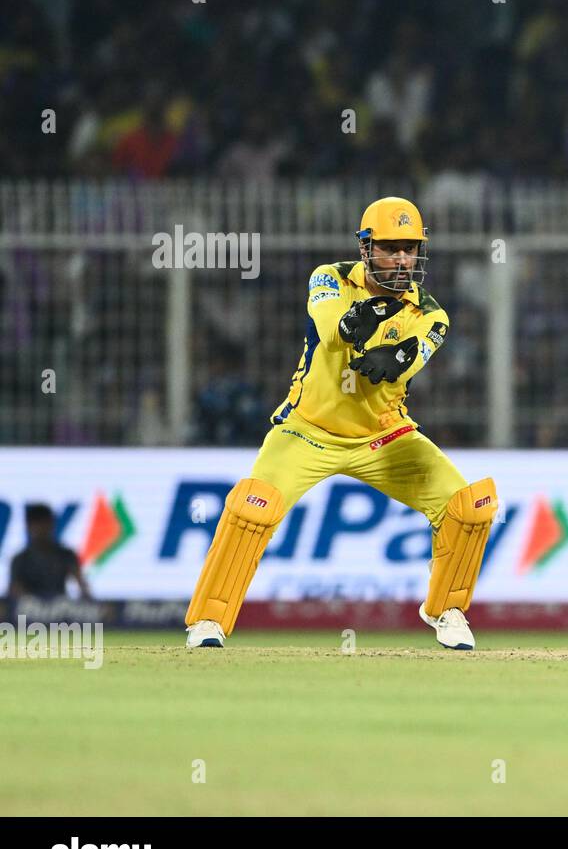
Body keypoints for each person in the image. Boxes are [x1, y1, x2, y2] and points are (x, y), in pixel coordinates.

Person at [183, 197, 496, 650]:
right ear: (366, 248)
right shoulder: (328, 277)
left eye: (410, 249)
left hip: (385, 436)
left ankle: (446, 609)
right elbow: (332, 329)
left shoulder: (430, 312)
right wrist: (363, 318)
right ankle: (208, 622)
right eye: (391, 248)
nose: (403, 259)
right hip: (306, 430)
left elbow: (408, 362)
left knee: (469, 507)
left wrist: (399, 356)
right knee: (253, 508)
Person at [7, 504, 92, 600]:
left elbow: (82, 584)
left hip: (59, 610)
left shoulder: (66, 555)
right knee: (20, 613)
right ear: (29, 527)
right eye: (37, 524)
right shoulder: (20, 559)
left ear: (52, 524)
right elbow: (14, 591)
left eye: (45, 524)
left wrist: (86, 606)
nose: (41, 529)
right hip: (28, 610)